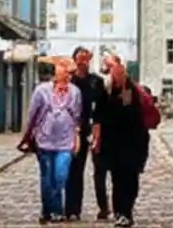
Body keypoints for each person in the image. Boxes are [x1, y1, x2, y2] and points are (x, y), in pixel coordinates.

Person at [21, 57, 83, 224]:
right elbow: (32, 115)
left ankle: (55, 209)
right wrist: (28, 136)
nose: (68, 76)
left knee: (60, 175)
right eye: (66, 71)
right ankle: (49, 210)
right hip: (44, 140)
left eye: (71, 73)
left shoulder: (75, 92)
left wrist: (77, 138)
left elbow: (77, 118)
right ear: (57, 72)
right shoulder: (42, 91)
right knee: (47, 178)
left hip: (65, 141)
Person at [94, 60, 154, 227]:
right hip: (112, 144)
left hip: (133, 142)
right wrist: (97, 138)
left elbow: (132, 115)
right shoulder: (105, 91)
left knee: (130, 179)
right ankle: (120, 212)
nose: (118, 78)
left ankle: (127, 211)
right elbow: (98, 115)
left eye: (120, 74)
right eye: (115, 75)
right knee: (117, 179)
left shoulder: (131, 91)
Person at [65, 47, 108, 222]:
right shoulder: (70, 81)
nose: (83, 63)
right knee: (75, 170)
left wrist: (98, 128)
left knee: (100, 170)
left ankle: (104, 207)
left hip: (95, 128)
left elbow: (103, 106)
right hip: (76, 130)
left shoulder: (96, 82)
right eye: (80, 59)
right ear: (74, 60)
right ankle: (72, 209)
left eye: (86, 59)